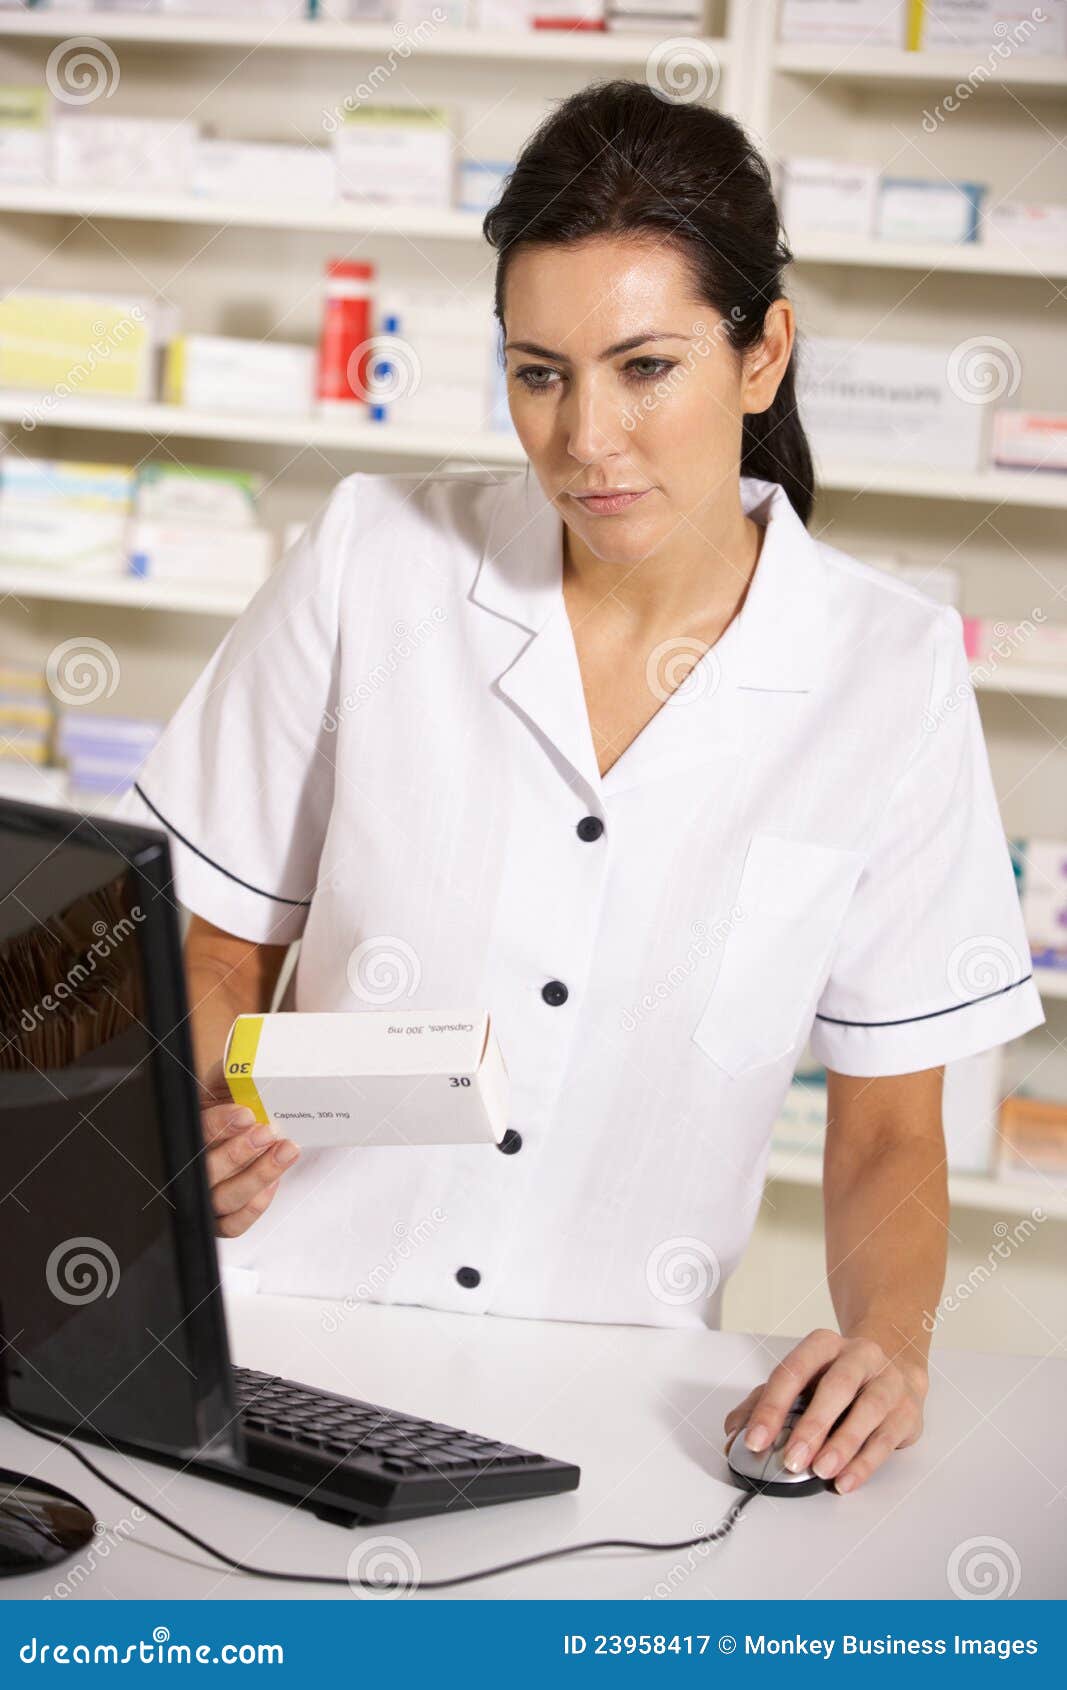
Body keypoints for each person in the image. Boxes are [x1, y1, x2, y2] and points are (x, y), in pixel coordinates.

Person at [115, 81, 1043, 1496]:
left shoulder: (888, 675)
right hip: (275, 1347)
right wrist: (209, 1116)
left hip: (618, 1406)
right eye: (539, 371)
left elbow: (889, 1132)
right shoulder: (377, 558)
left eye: (645, 368)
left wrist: (892, 1342)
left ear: (762, 354)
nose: (586, 439)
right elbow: (218, 946)